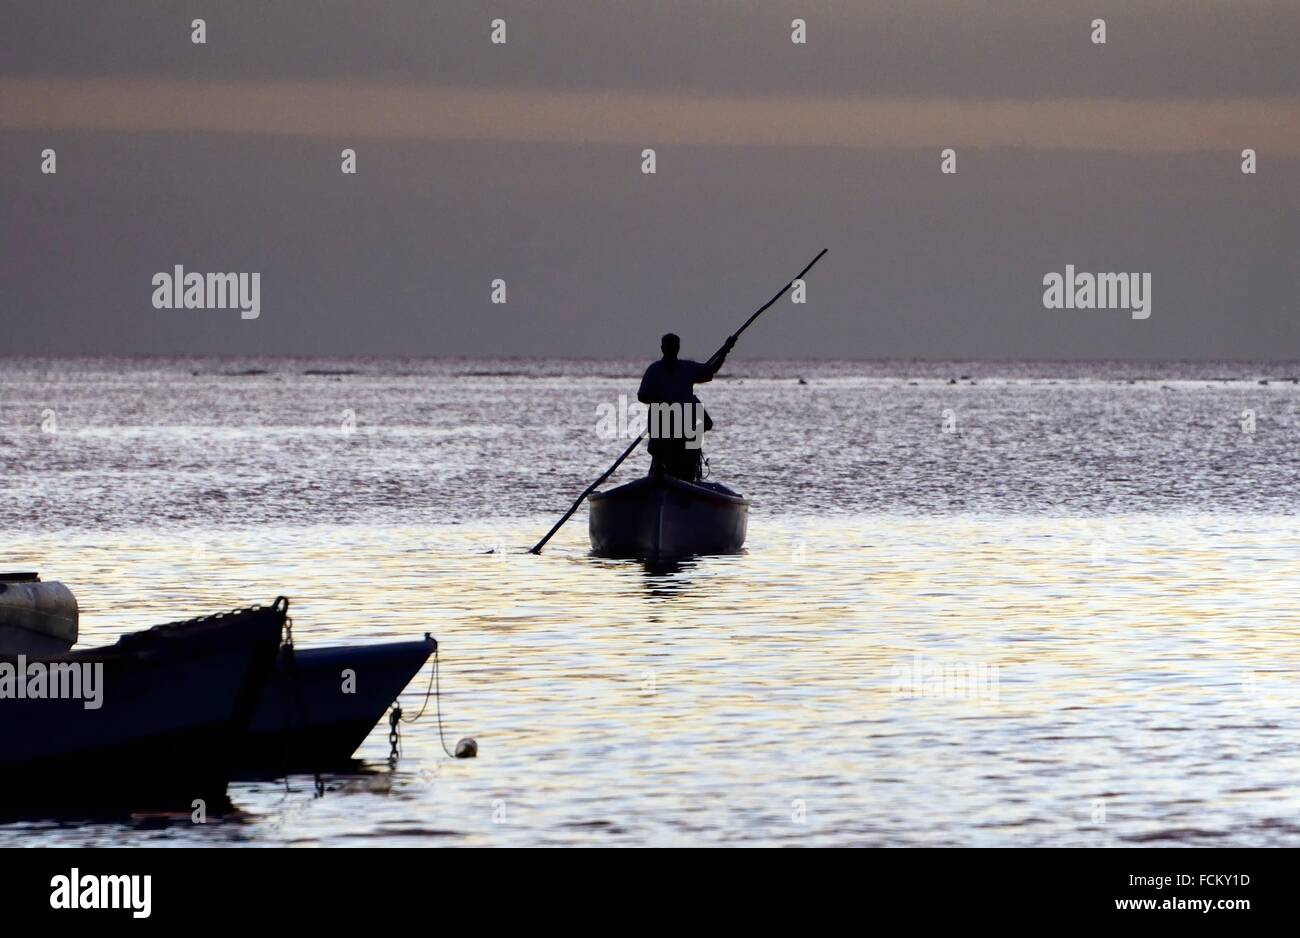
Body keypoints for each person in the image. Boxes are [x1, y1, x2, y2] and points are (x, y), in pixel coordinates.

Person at [637, 332, 736, 480]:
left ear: (677, 348)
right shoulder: (654, 370)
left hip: (683, 437)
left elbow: (711, 369)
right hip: (661, 436)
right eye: (669, 346)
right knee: (661, 462)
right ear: (663, 348)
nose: (671, 348)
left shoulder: (687, 368)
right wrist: (663, 401)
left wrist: (725, 350)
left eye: (673, 346)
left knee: (685, 466)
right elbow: (642, 396)